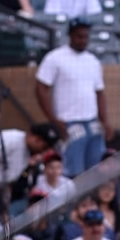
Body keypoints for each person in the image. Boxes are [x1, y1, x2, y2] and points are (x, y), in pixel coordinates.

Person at [35, 19, 110, 176]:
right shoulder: (55, 58)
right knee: (72, 173)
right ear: (70, 35)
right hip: (69, 122)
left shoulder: (93, 61)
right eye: (79, 36)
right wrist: (53, 120)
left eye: (85, 37)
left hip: (92, 121)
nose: (83, 40)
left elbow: (99, 93)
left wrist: (105, 121)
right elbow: (41, 88)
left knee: (96, 171)